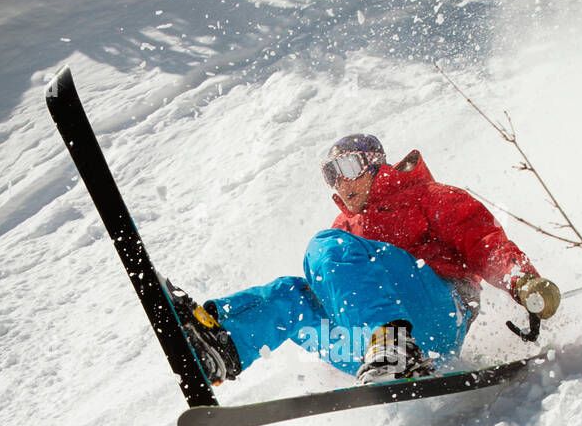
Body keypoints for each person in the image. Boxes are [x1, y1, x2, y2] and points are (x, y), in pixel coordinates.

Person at [167, 134, 560, 387]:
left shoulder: (430, 197)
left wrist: (522, 280)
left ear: (375, 164)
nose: (340, 183)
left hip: (439, 313)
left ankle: (394, 346)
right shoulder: (346, 228)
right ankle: (223, 347)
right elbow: (341, 296)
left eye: (348, 168)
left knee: (327, 248)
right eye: (330, 175)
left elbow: (484, 241)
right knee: (292, 295)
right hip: (367, 347)